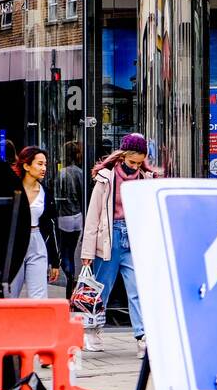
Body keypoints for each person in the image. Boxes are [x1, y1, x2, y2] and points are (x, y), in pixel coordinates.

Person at [81, 133, 158, 355]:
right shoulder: (106, 178)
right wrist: (87, 251)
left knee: (136, 289)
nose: (134, 166)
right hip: (109, 238)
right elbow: (93, 215)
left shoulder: (146, 179)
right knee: (102, 288)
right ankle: (92, 329)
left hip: (133, 239)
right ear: (123, 156)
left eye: (138, 162)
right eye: (131, 161)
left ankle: (142, 336)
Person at [9, 146, 61, 299]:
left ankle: (39, 323)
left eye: (45, 164)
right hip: (14, 243)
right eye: (39, 164)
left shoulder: (46, 194)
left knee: (39, 296)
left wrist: (55, 262)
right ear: (26, 166)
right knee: (10, 294)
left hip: (36, 240)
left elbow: (51, 228)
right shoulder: (11, 190)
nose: (44, 168)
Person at [53, 141, 86, 298]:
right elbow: (82, 195)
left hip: (63, 217)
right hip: (77, 216)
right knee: (72, 249)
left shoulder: (62, 173)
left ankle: (69, 275)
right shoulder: (80, 172)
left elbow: (57, 196)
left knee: (64, 251)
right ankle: (72, 277)